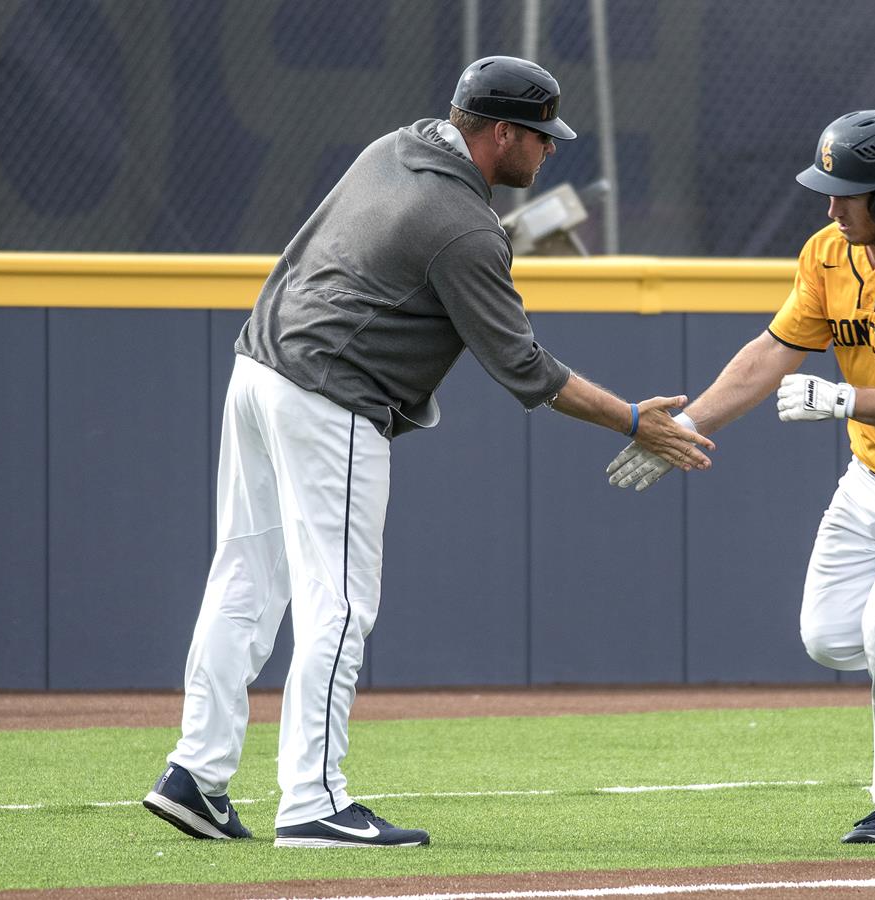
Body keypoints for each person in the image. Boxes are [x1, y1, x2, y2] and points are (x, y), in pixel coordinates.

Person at [142, 55, 714, 849]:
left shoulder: (397, 145)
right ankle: (312, 801)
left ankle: (195, 775)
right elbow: (526, 370)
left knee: (244, 576)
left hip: (259, 370)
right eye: (541, 136)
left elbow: (426, 249)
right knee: (338, 605)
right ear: (503, 133)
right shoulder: (464, 229)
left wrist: (503, 240)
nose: (550, 150)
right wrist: (630, 420)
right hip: (329, 397)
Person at [605, 111, 875, 844]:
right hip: (871, 474)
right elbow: (771, 352)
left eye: (845, 191)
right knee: (830, 636)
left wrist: (845, 398)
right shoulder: (829, 252)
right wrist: (690, 425)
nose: (830, 205)